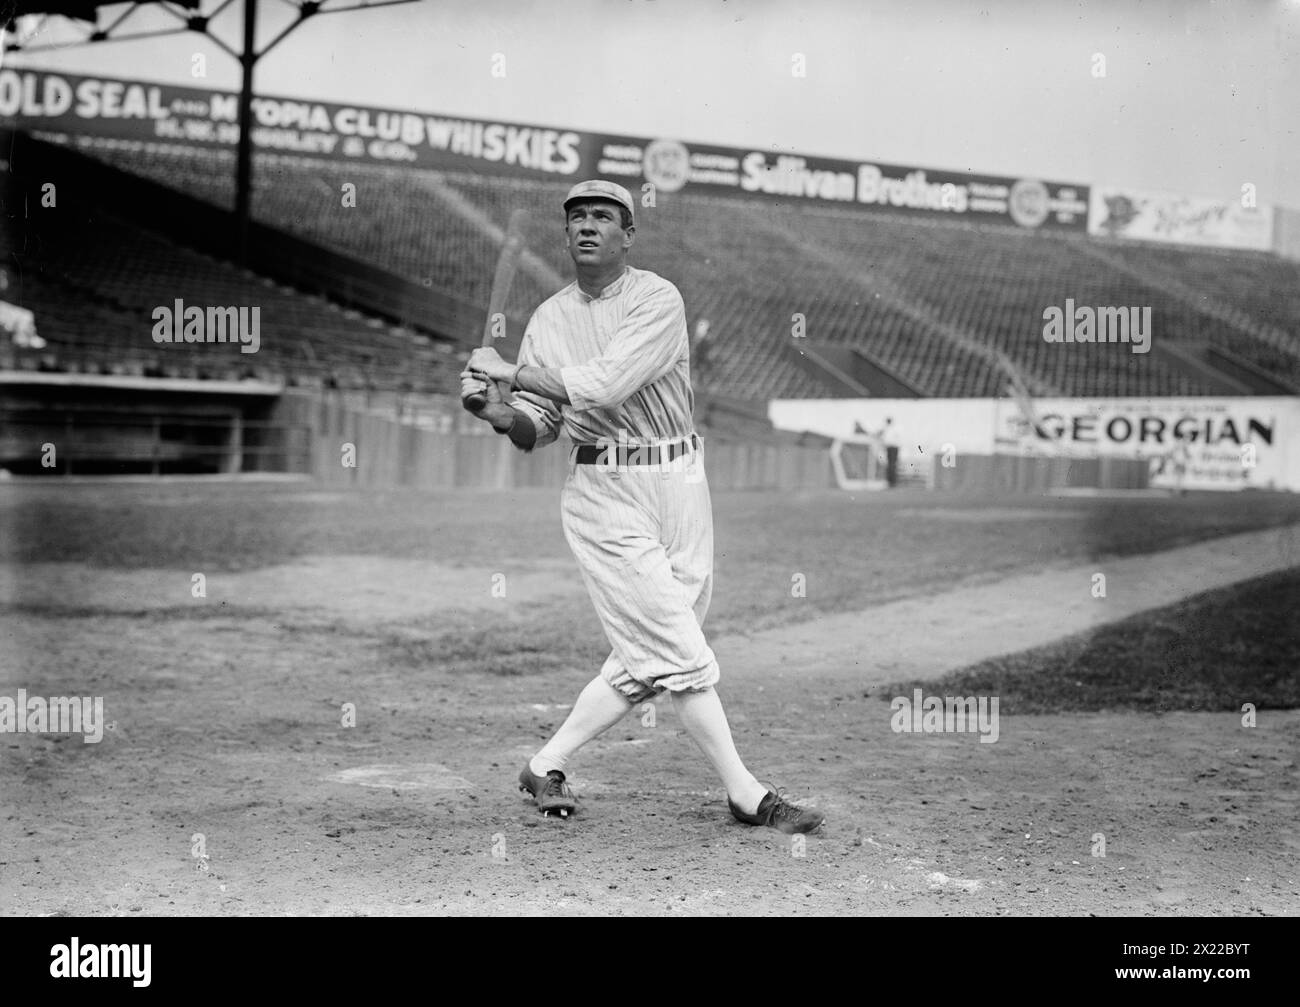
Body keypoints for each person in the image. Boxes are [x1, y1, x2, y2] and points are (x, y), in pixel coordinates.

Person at [461, 180, 824, 834]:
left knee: (649, 651)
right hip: (605, 496)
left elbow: (603, 384)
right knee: (677, 649)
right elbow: (539, 428)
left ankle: (546, 763)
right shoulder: (549, 319)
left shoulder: (658, 298)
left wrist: (509, 370)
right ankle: (747, 793)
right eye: (576, 217)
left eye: (603, 217)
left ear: (628, 234)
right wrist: (497, 411)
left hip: (680, 484)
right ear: (566, 232)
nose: (587, 227)